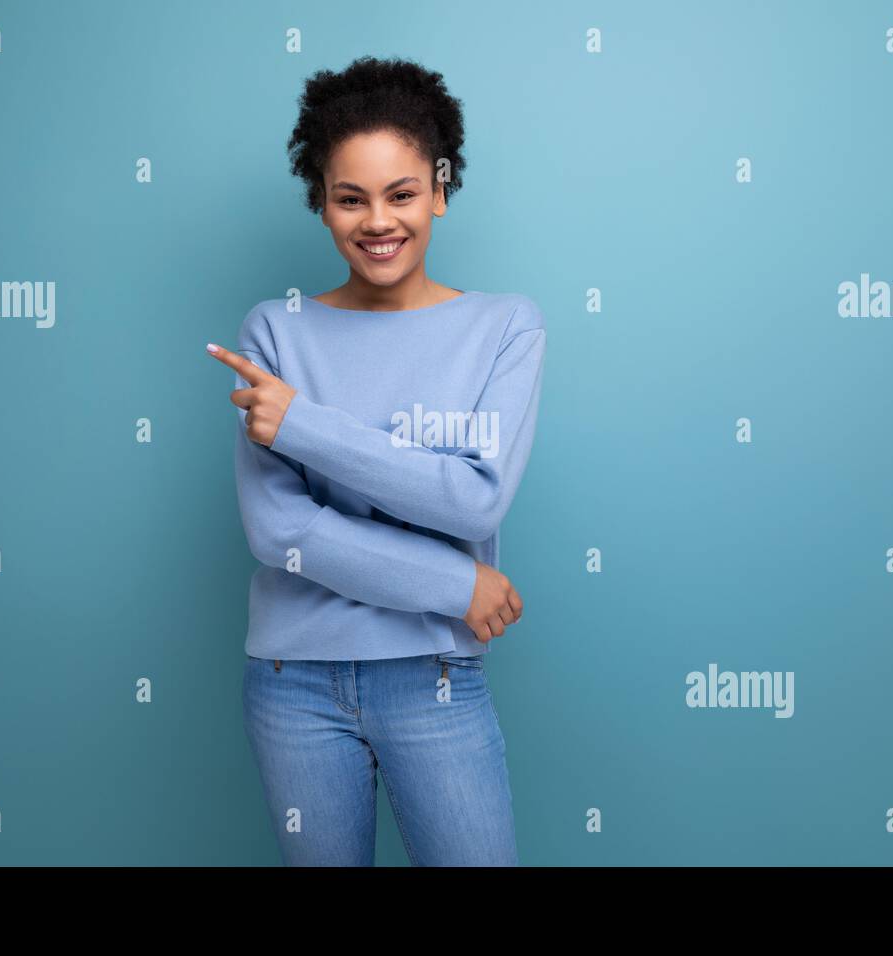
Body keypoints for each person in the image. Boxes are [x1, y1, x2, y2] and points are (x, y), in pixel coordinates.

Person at [205, 55, 546, 866]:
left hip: (433, 679)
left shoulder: (505, 327)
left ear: (439, 188)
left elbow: (472, 501)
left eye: (400, 194)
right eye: (349, 197)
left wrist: (302, 426)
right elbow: (279, 529)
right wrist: (455, 584)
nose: (377, 221)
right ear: (320, 202)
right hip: (293, 684)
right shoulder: (274, 331)